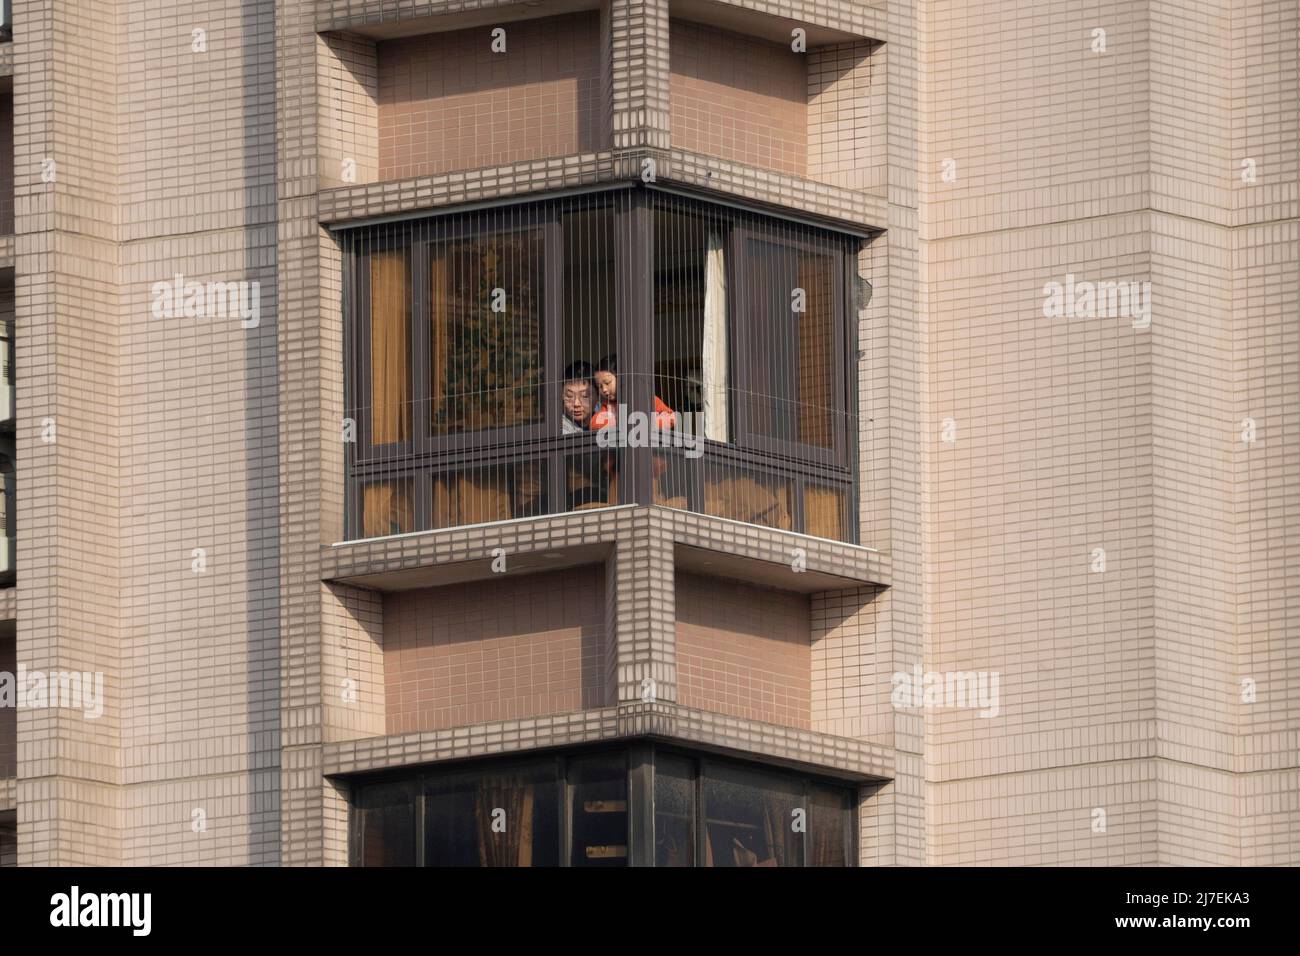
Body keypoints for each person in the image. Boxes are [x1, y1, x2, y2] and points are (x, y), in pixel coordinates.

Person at [589, 354, 676, 431]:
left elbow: (672, 417)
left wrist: (642, 425)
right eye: (599, 386)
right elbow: (594, 425)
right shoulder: (607, 405)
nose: (604, 389)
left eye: (607, 383)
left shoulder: (647, 398)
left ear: (621, 378)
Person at [561, 360, 596, 434]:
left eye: (584, 396)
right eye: (569, 396)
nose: (576, 404)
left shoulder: (606, 420)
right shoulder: (558, 428)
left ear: (598, 395)